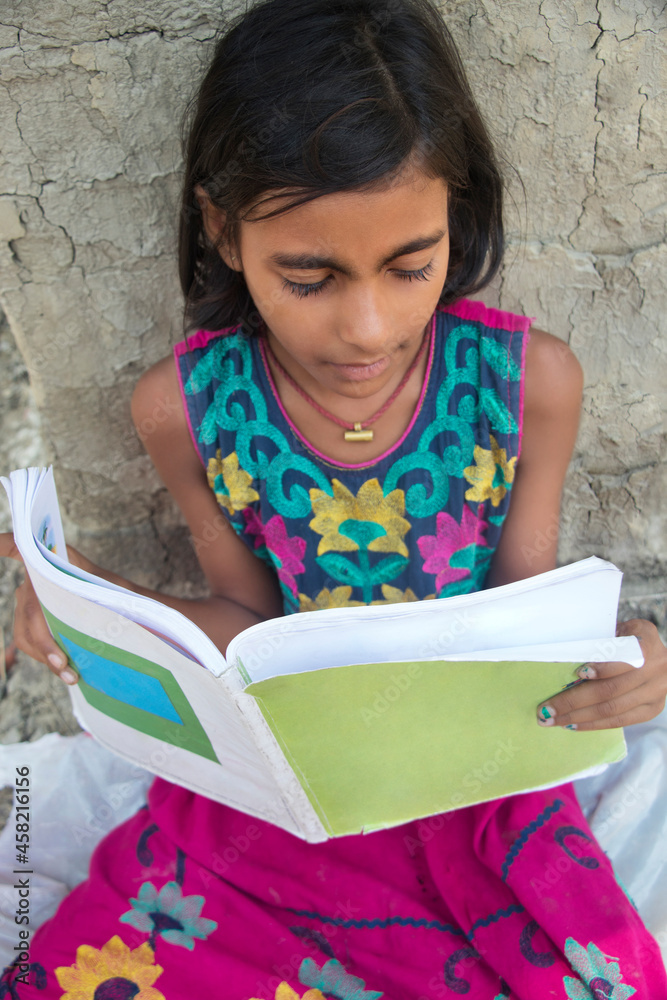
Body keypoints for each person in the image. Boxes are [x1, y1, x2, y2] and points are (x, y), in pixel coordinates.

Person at [1, 0, 667, 995]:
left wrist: (635, 656)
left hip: (473, 797)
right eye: (309, 276)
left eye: (411, 267)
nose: (367, 325)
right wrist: (90, 602)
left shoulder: (524, 385)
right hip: (281, 800)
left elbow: (527, 615)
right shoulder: (188, 411)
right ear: (224, 232)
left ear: (457, 220)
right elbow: (246, 620)